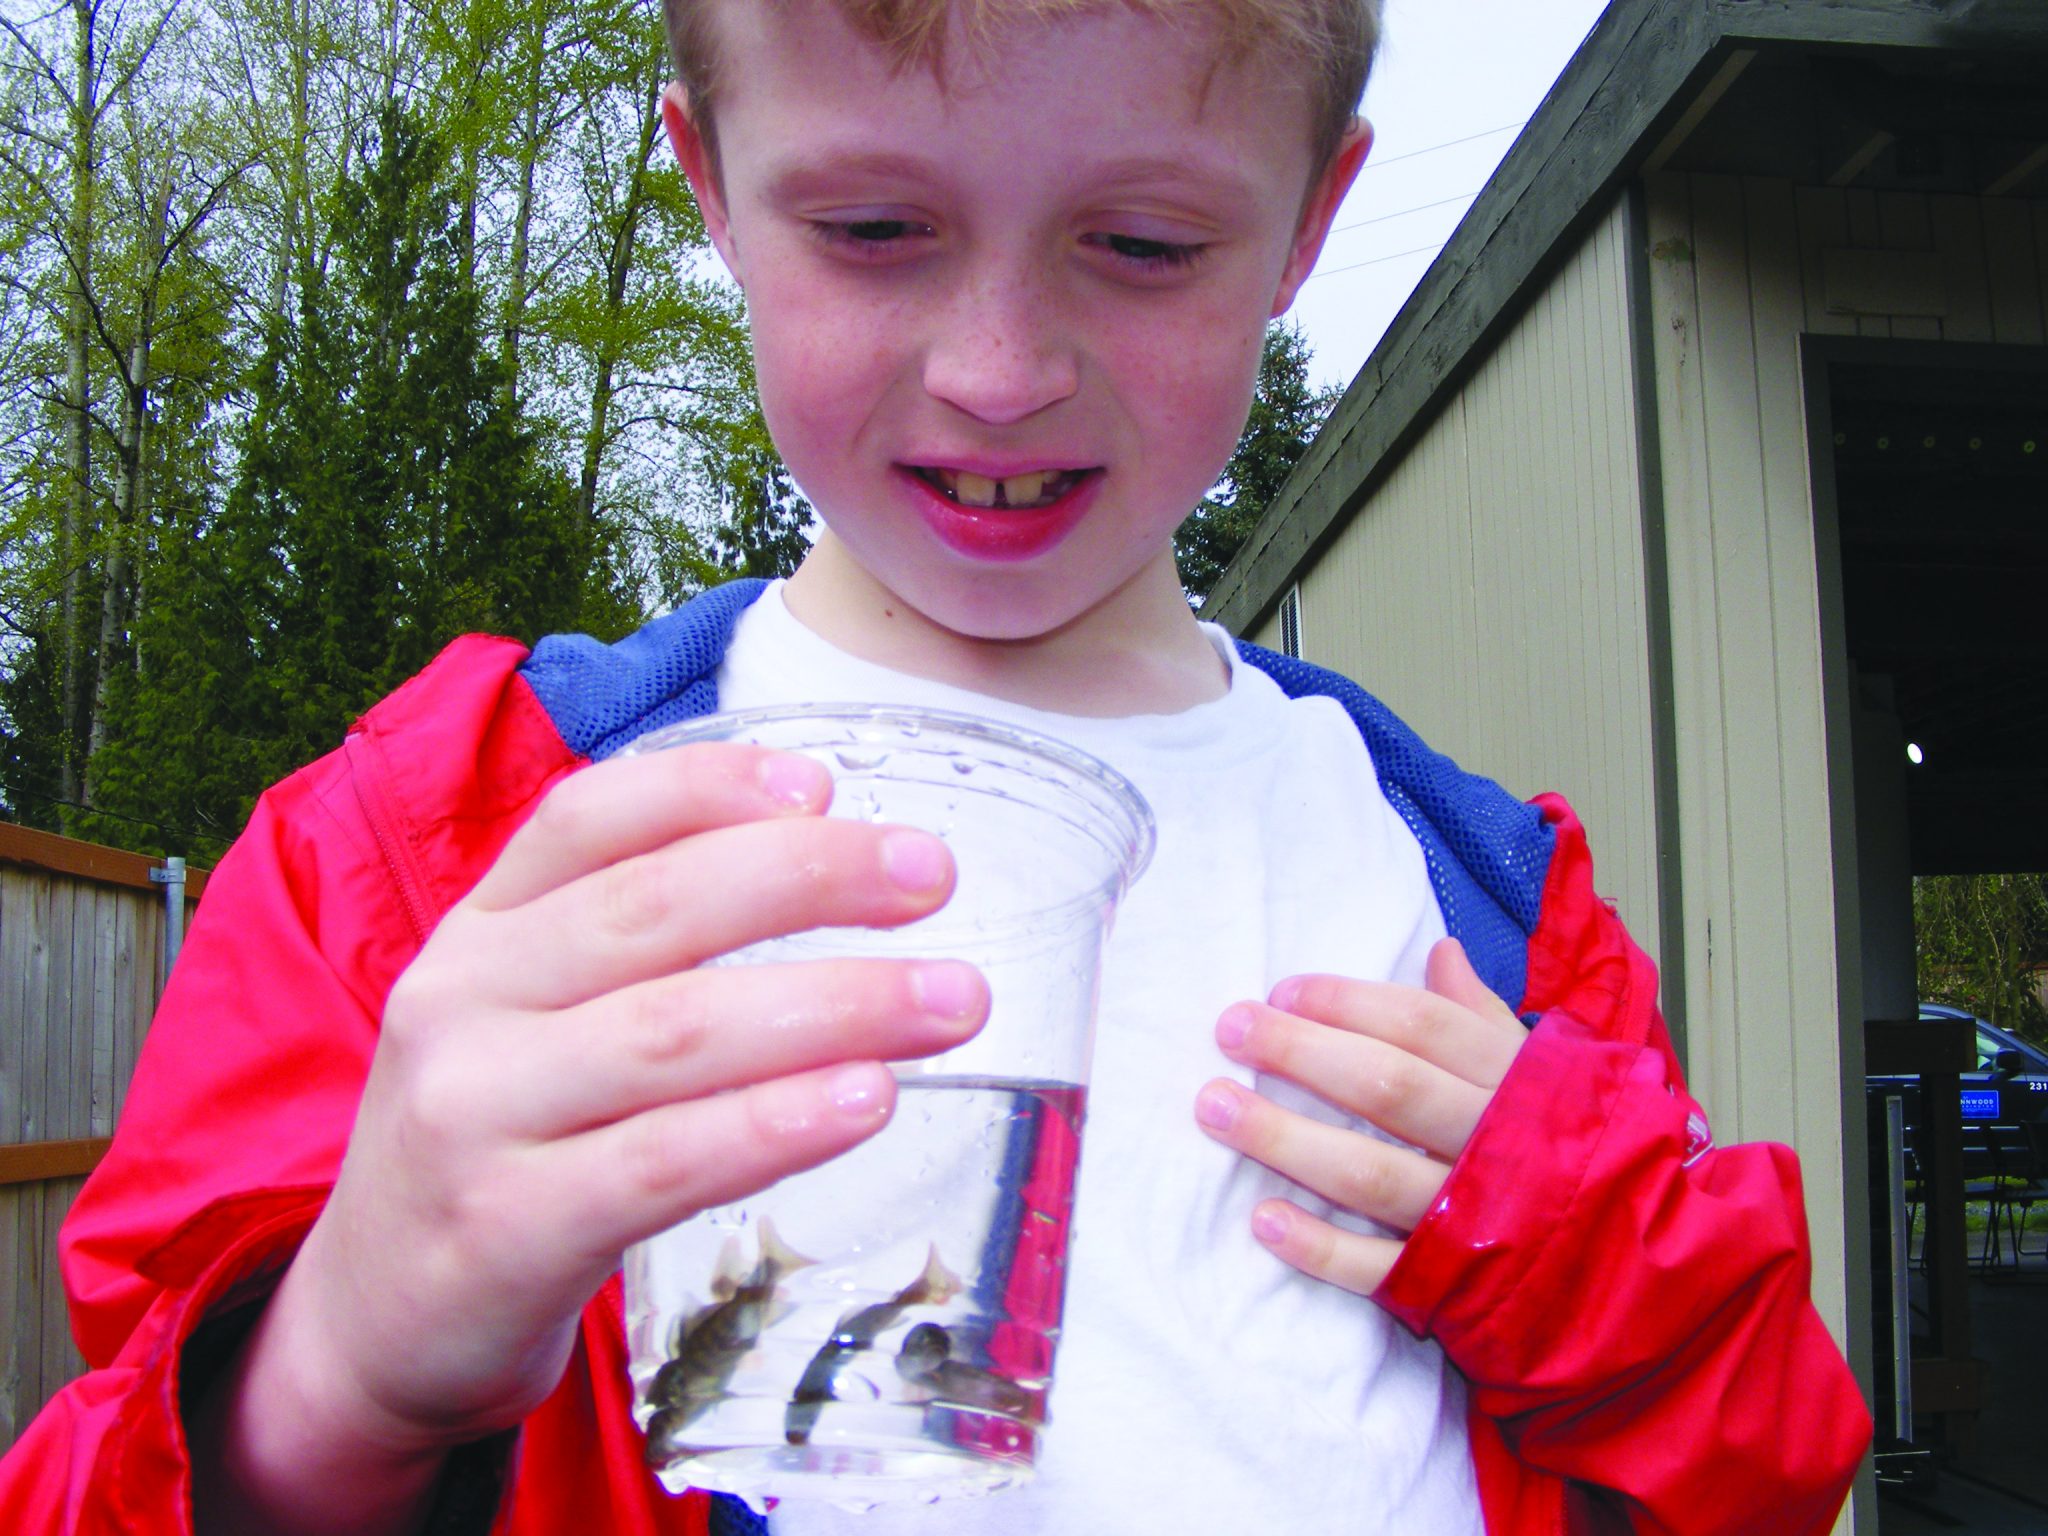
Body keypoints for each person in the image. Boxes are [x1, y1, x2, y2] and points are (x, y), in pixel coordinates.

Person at [0, 1, 1872, 1532]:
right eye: (876, 231)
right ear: (713, 185)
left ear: (1309, 224)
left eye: (1142, 245)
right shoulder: (448, 845)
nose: (997, 370)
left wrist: (1599, 1251)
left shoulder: (1484, 904)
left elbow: (1780, 1460)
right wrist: (333, 1372)